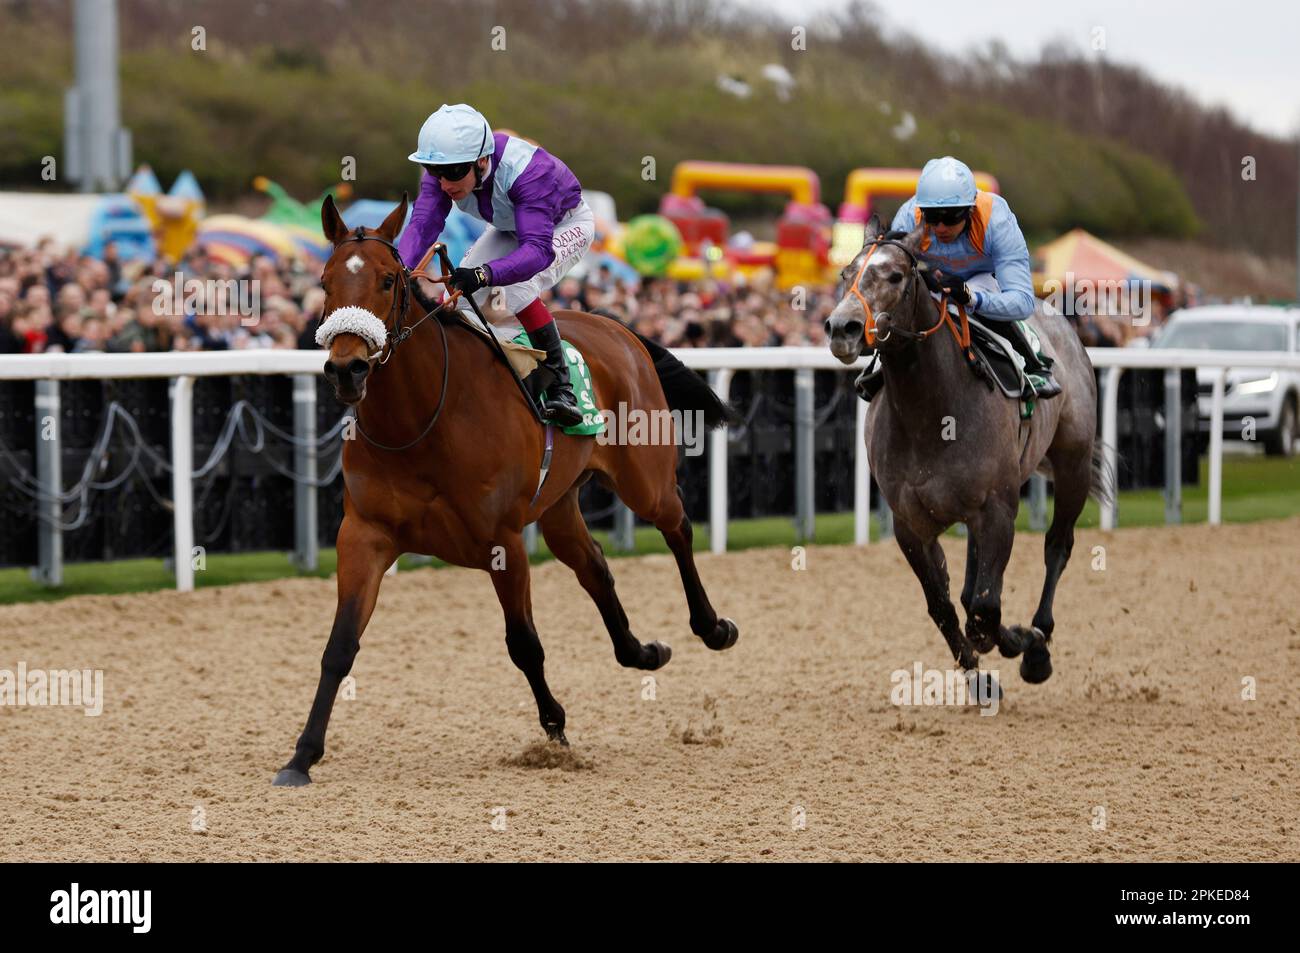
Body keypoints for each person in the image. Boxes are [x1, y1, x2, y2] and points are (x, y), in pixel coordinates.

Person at [398, 103, 591, 426]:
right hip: (509, 227)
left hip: (564, 226)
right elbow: (423, 225)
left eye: (455, 173)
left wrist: (485, 273)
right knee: (456, 303)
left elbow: (537, 251)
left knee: (517, 285)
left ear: (482, 160)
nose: (444, 183)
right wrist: (398, 269)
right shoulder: (448, 170)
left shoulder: (529, 174)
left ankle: (561, 387)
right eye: (436, 172)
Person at [859, 156, 1060, 400]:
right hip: (937, 282)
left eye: (951, 216)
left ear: (970, 210)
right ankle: (882, 367)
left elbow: (1023, 303)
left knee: (974, 293)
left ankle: (1032, 364)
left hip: (986, 281)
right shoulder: (910, 217)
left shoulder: (997, 221)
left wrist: (972, 298)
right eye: (933, 217)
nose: (941, 226)